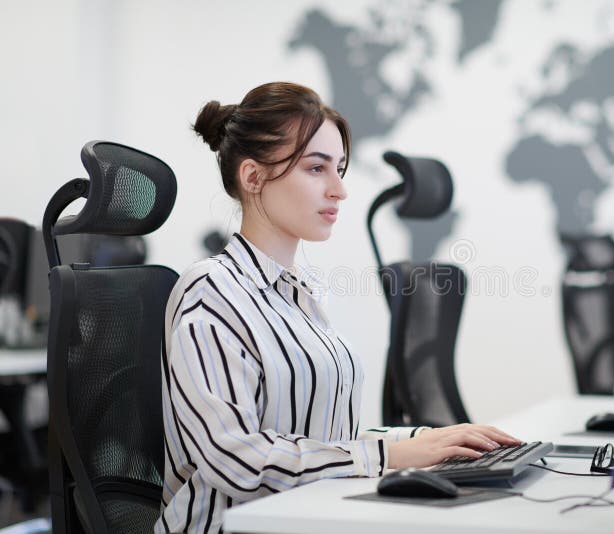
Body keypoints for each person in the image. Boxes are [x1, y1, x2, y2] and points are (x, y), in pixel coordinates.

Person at [157, 82, 520, 533]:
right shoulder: (212, 292)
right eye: (316, 169)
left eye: (340, 169)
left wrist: (425, 439)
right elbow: (234, 459)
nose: (339, 190)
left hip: (307, 518)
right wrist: (389, 456)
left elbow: (324, 441)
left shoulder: (301, 292)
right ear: (252, 178)